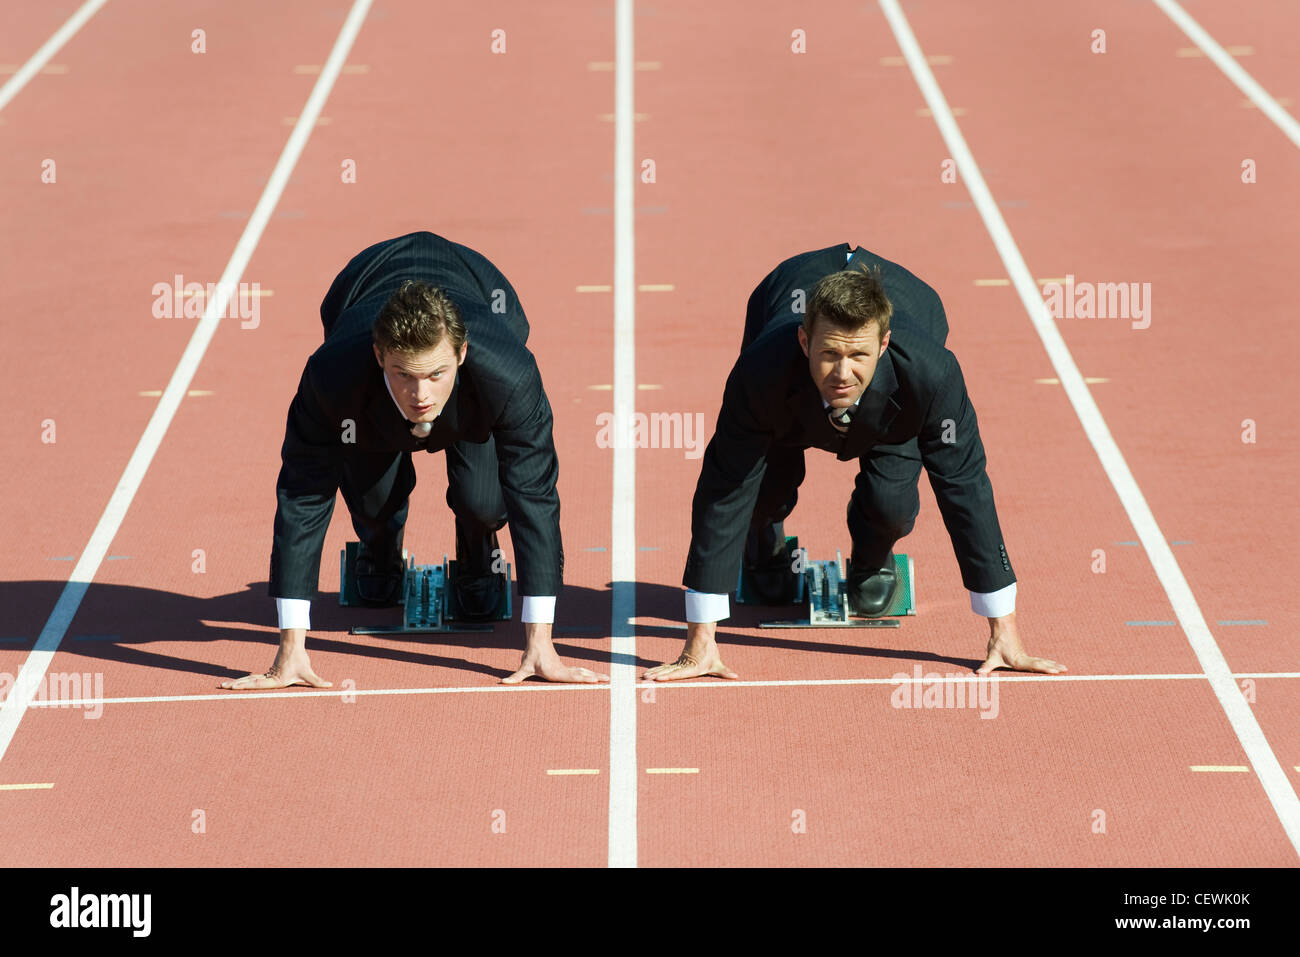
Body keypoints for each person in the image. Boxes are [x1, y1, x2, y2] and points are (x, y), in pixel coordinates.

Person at [645, 243, 1066, 681]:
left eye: (858, 356)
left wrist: (1005, 630)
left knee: (892, 505)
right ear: (805, 340)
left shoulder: (932, 376)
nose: (842, 374)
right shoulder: (761, 371)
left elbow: (965, 488)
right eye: (828, 354)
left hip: (894, 411)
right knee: (760, 494)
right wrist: (699, 643)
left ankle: (872, 559)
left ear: (884, 344)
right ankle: (765, 549)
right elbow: (725, 485)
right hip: (786, 386)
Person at [222, 231, 607, 689]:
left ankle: (477, 554)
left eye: (435, 374)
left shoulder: (510, 375)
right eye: (404, 375)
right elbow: (303, 497)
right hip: (364, 304)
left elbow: (535, 496)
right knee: (371, 500)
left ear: (462, 355)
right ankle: (379, 551)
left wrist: (541, 643)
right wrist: (289, 651)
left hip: (475, 341)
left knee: (484, 500)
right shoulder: (332, 376)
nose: (421, 395)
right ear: (379, 354)